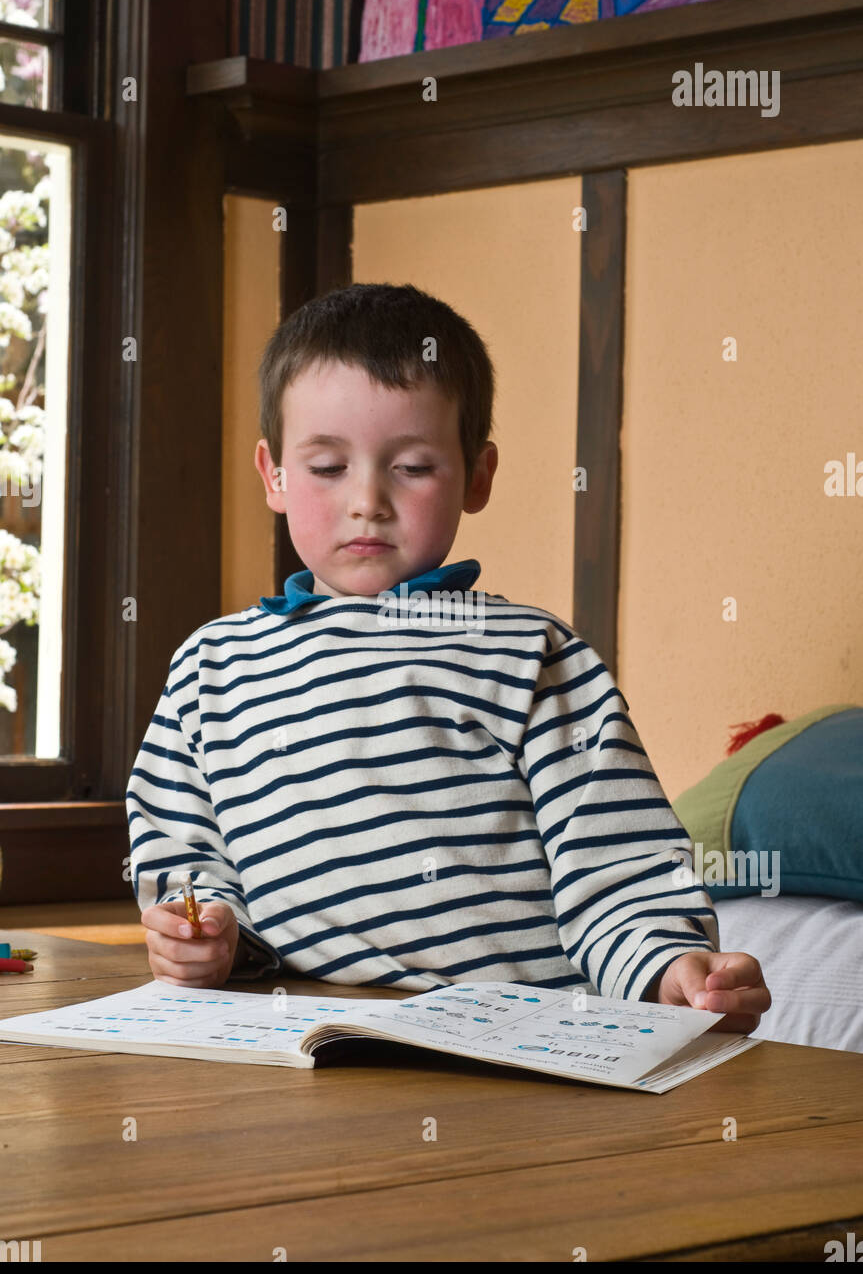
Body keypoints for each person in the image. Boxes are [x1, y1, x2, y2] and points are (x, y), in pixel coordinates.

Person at [127, 282, 770, 1034]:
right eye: (328, 467)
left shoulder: (535, 656)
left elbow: (618, 864)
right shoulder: (212, 666)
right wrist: (199, 933)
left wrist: (670, 971)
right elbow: (183, 851)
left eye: (412, 467)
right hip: (292, 1046)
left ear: (478, 475)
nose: (366, 499)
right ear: (273, 473)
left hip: (516, 1049)